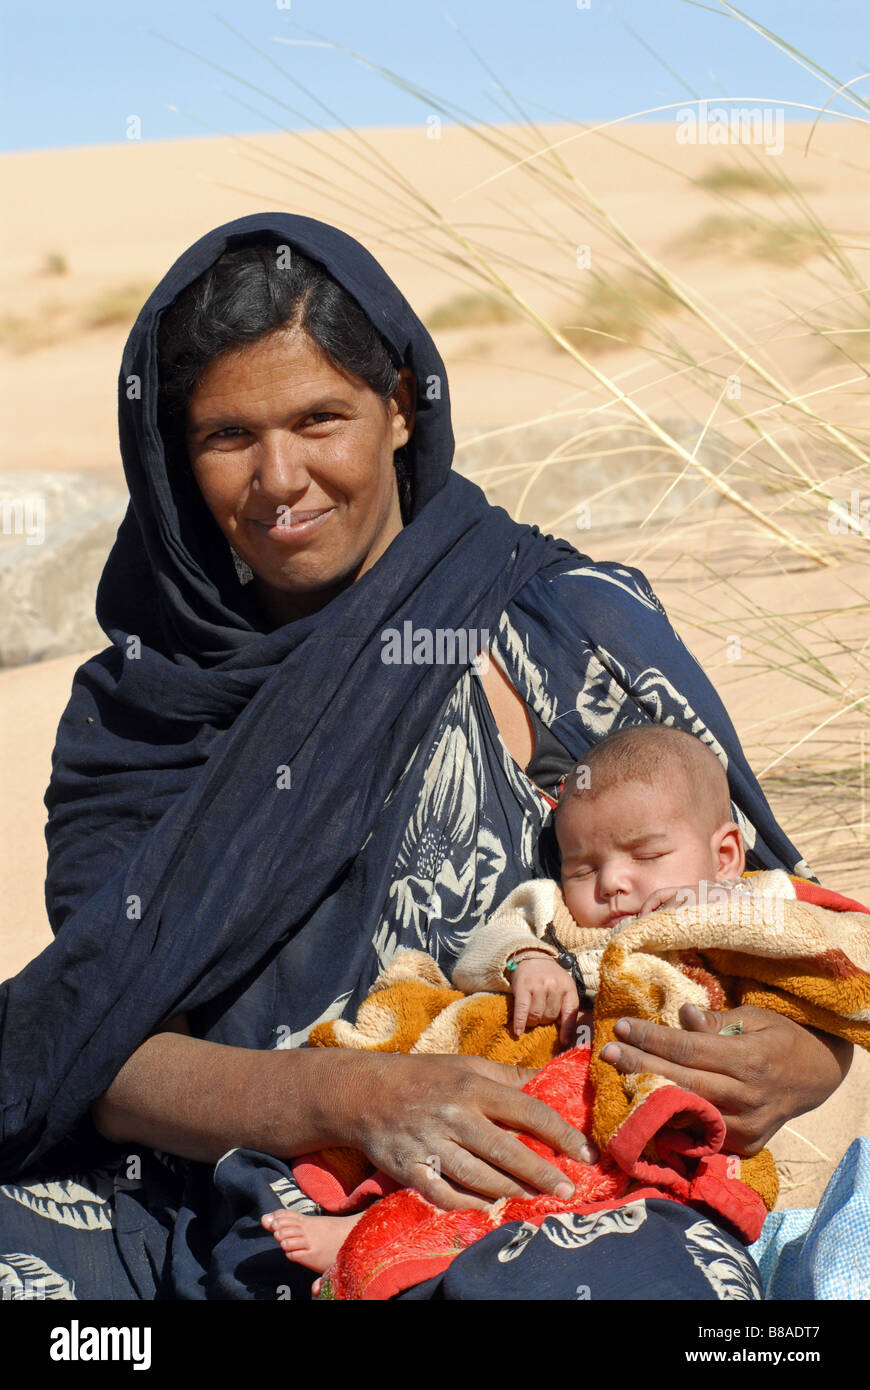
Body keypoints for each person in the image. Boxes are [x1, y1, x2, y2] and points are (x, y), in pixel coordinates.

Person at [0, 212, 853, 1302]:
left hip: (554, 1188)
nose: (280, 478)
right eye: (227, 437)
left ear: (400, 407)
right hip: (198, 1205)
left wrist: (793, 1064)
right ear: (172, 452)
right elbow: (95, 1049)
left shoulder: (569, 629)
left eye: (322, 418)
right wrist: (348, 1101)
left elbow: (786, 943)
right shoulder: (139, 711)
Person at [258, 724, 868, 1293]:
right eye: (585, 867)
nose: (612, 884)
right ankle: (376, 1233)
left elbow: (827, 963)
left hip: (659, 1126)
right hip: (556, 1100)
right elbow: (487, 946)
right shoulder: (559, 919)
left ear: (727, 856)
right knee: (484, 1171)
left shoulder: (740, 915)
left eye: (647, 855)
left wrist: (753, 1014)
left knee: (624, 1201)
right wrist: (528, 962)